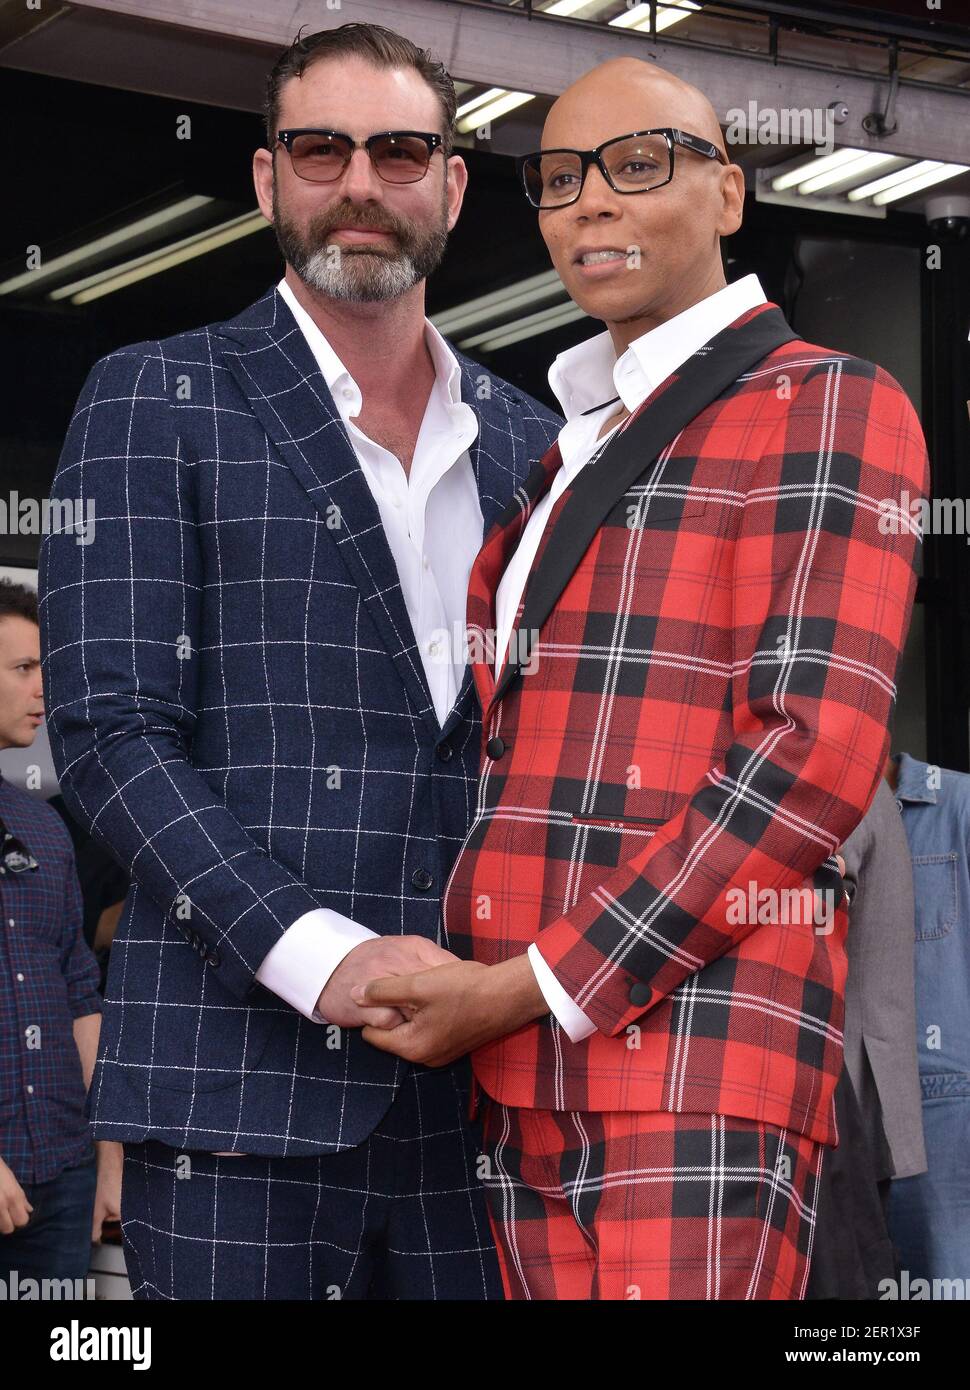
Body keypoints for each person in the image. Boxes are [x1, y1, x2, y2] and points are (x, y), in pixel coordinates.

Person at [354, 57, 930, 1299]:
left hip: (693, 1070)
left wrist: (530, 984)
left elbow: (809, 757)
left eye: (638, 165)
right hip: (514, 1076)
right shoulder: (563, 449)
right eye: (560, 178)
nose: (590, 204)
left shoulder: (826, 402)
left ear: (727, 193)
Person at [39, 24, 560, 1301]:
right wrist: (324, 953)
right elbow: (108, 731)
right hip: (239, 1094)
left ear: (450, 183)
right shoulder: (152, 395)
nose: (361, 184)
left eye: (400, 150)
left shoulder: (537, 444)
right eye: (319, 148)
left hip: (489, 1098)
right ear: (268, 179)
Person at [0, 578, 122, 1284]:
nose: (43, 687)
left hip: (64, 1181)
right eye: (23, 669)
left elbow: (81, 991)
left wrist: (108, 1159)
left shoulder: (44, 825)